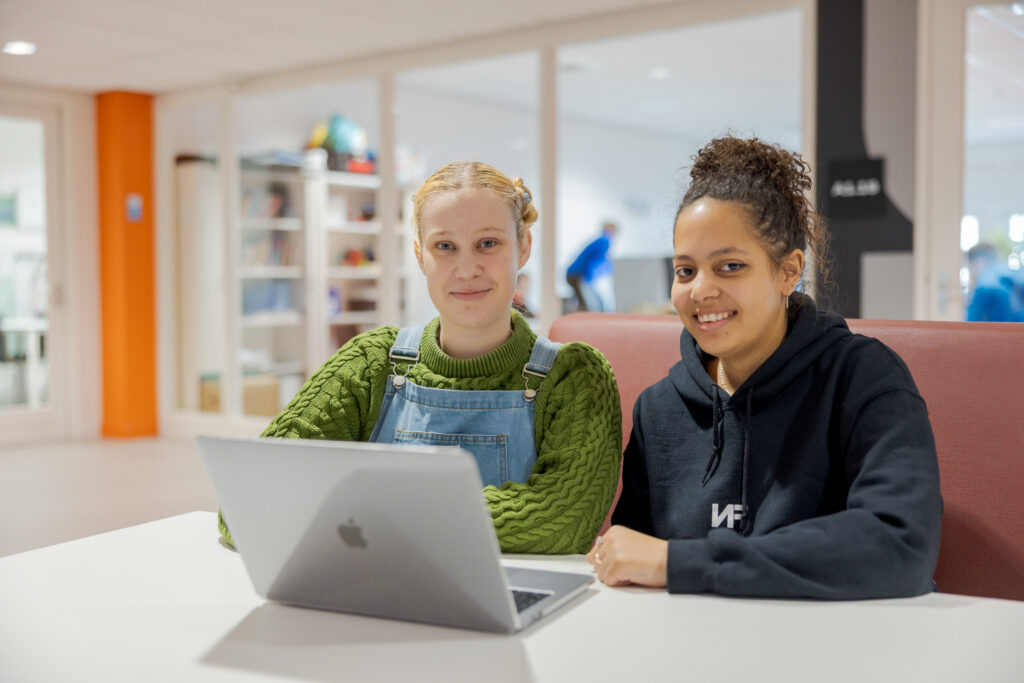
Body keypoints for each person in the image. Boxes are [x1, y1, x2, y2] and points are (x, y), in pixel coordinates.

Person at [586, 137, 942, 599]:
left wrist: (682, 562)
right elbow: (631, 564)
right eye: (685, 271)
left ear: (788, 271)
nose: (700, 291)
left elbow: (899, 545)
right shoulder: (659, 409)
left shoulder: (863, 377)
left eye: (730, 266)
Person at [219, 161, 622, 554]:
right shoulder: (371, 363)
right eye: (445, 246)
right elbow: (247, 499)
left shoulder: (574, 377)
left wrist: (369, 510)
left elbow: (564, 521)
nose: (467, 268)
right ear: (419, 254)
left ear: (524, 247)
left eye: (488, 243)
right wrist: (426, 514)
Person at [965, 243, 1024, 322]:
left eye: (970, 267)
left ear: (979, 262)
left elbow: (971, 325)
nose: (971, 273)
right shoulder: (1012, 279)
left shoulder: (984, 288)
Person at [566, 221, 617, 312]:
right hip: (577, 275)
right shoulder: (604, 240)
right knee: (591, 304)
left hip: (574, 274)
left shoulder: (600, 240)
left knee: (586, 302)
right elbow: (598, 259)